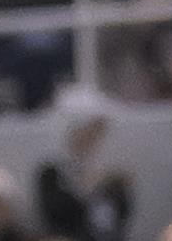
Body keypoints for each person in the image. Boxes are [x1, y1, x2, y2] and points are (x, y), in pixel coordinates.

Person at [37, 86, 133, 241]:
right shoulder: (51, 174)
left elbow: (120, 220)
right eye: (91, 129)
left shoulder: (112, 173)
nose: (95, 136)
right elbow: (55, 218)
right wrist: (83, 190)